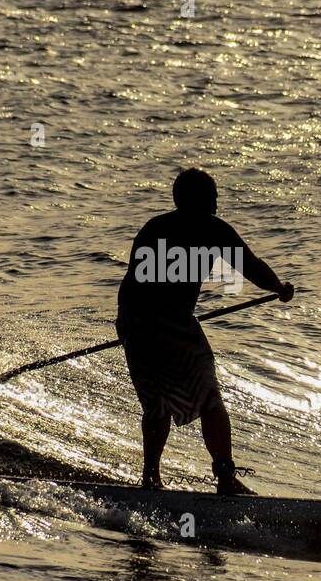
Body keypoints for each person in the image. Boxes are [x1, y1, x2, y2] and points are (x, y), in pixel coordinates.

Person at [116, 168, 294, 495]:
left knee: (156, 406)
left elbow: (130, 284)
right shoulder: (213, 229)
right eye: (212, 196)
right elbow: (250, 266)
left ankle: (151, 478)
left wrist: (124, 324)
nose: (216, 202)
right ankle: (226, 479)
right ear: (199, 199)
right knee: (210, 401)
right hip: (172, 326)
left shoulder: (154, 227)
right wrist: (279, 287)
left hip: (137, 326)